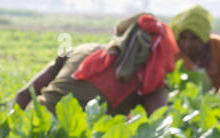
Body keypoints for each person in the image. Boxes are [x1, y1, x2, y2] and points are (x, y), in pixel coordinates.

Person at [14, 13, 178, 118]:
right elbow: (158, 128)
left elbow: (23, 95)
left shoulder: (81, 49)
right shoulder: (149, 81)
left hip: (30, 125)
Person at [171, 5, 220, 96]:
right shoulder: (174, 50)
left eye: (194, 38)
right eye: (183, 38)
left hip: (214, 98)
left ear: (204, 36)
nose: (188, 44)